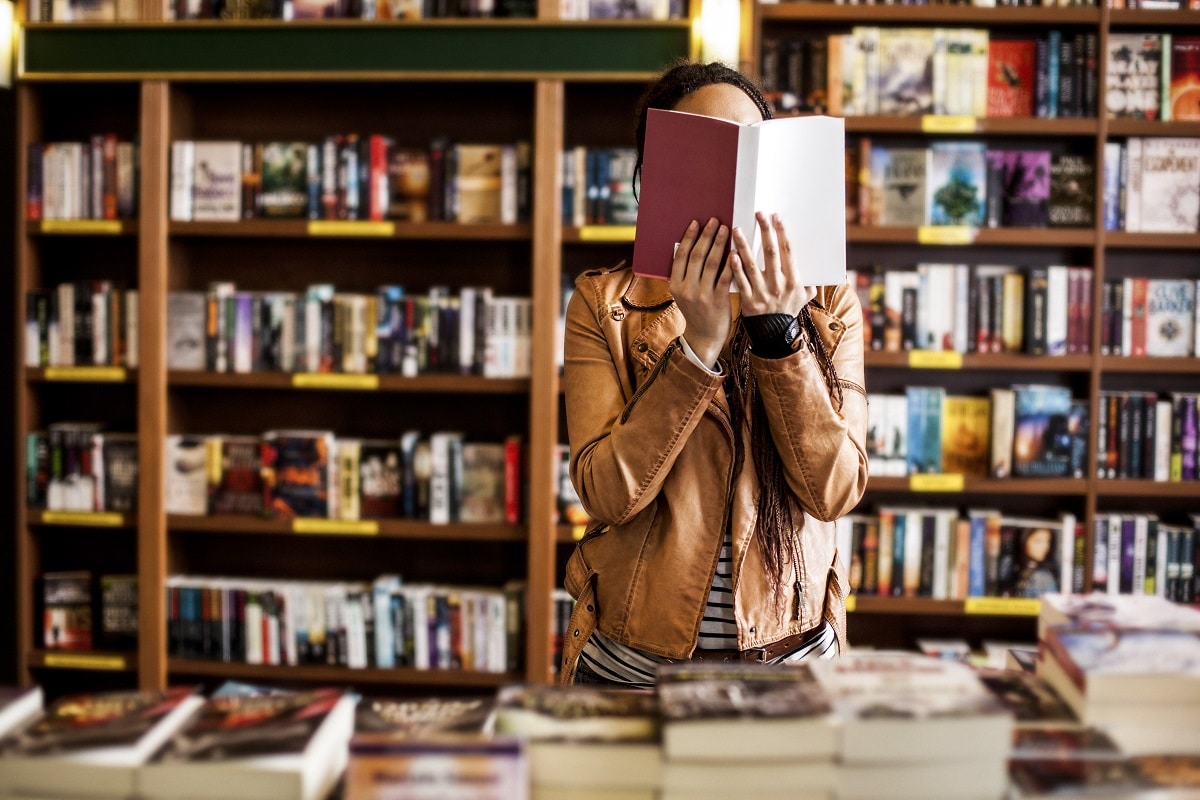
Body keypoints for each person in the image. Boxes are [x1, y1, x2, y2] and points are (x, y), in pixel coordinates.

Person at [559, 60, 869, 687]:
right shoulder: (605, 304)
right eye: (709, 155)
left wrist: (780, 334)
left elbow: (834, 490)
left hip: (790, 665)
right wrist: (695, 348)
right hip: (634, 672)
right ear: (656, 180)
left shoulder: (828, 303)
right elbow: (607, 494)